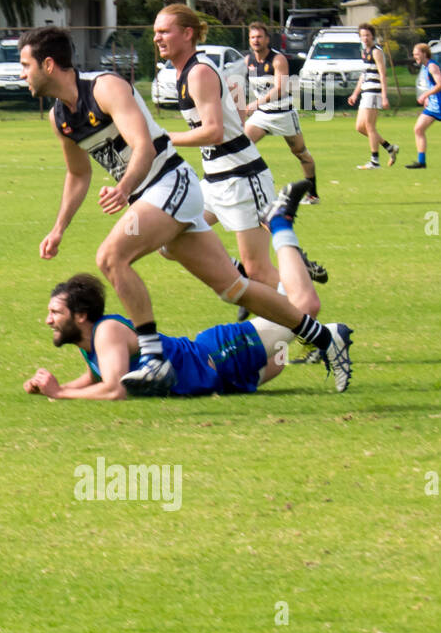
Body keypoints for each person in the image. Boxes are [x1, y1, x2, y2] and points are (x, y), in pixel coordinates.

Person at [21, 25, 352, 394]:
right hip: (151, 195)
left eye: (25, 64)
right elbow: (78, 174)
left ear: (48, 64)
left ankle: (153, 359)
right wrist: (58, 228)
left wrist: (124, 188)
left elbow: (144, 147)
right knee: (234, 289)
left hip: (169, 181)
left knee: (111, 257)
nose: (22, 73)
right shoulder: (59, 117)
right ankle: (324, 337)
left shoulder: (104, 88)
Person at [24, 181, 343, 400]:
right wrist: (55, 386)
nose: (48, 320)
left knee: (304, 308)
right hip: (217, 380)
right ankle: (331, 333)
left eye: (55, 312)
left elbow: (114, 390)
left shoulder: (106, 332)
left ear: (80, 316)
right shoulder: (90, 341)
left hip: (219, 356)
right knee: (290, 334)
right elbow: (99, 377)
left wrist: (61, 393)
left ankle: (280, 224)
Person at [159, 5, 279, 293]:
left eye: (164, 31)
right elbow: (232, 114)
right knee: (168, 242)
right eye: (155, 32)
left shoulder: (198, 72)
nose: (157, 38)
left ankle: (318, 326)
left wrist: (164, 138)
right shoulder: (185, 72)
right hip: (214, 181)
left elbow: (214, 131)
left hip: (242, 178)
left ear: (187, 34)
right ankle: (240, 274)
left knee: (260, 272)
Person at [243, 20, 318, 202]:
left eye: (260, 36)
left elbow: (280, 89)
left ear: (267, 39)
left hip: (283, 113)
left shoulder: (278, 59)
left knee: (300, 153)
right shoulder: (248, 60)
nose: (256, 40)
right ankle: (254, 189)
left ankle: (313, 194)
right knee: (242, 146)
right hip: (262, 115)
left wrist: (255, 103)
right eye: (253, 37)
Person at [350, 23, 398, 169]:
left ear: (372, 36)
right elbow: (363, 75)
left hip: (374, 92)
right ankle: (389, 148)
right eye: (362, 35)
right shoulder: (364, 51)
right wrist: (355, 93)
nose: (365, 38)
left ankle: (374, 161)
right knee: (360, 127)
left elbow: (383, 74)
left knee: (370, 127)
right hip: (365, 91)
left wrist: (384, 96)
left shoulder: (376, 52)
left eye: (368, 35)